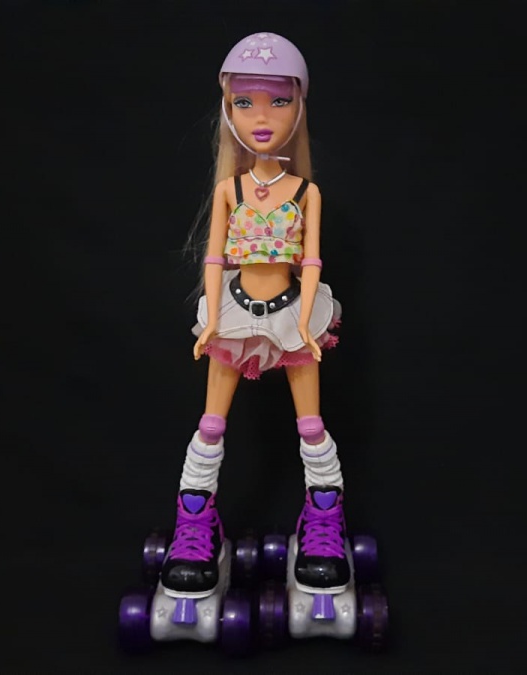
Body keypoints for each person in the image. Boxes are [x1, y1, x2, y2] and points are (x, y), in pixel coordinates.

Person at [159, 32, 351, 604]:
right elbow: (214, 258)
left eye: (278, 101)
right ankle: (195, 522)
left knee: (310, 425)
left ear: (298, 106)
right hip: (234, 311)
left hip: (293, 312)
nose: (262, 117)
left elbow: (311, 261)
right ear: (228, 110)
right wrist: (213, 322)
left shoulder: (306, 192)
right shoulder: (230, 189)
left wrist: (309, 324)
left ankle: (323, 520)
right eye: (245, 102)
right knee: (211, 423)